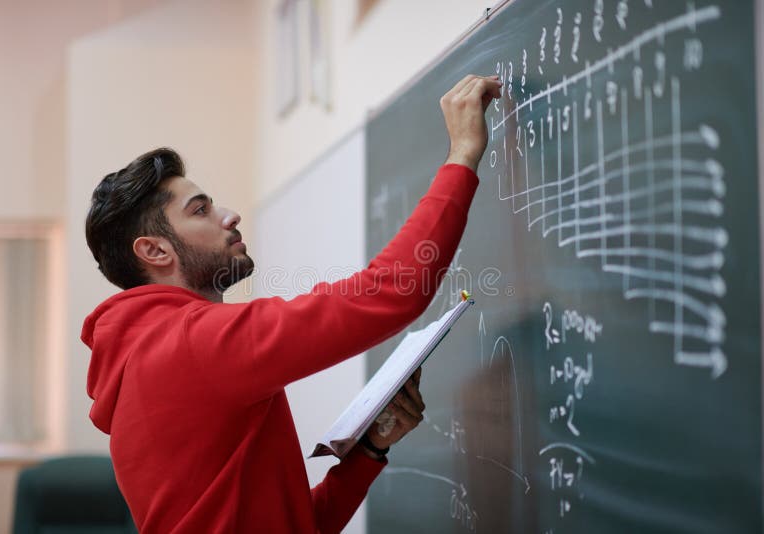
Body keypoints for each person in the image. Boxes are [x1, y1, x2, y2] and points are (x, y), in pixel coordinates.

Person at [82, 74, 502, 533]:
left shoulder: (146, 354)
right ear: (156, 252)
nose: (228, 215)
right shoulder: (194, 342)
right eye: (200, 210)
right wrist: (462, 154)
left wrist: (367, 453)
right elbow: (394, 290)